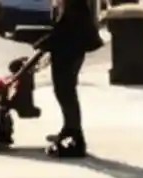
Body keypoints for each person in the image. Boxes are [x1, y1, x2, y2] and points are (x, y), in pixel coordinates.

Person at [42, 0, 103, 158]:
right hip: (71, 47)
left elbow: (69, 27)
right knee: (64, 90)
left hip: (71, 49)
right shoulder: (68, 5)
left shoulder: (73, 6)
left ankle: (75, 134)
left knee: (65, 90)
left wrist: (47, 42)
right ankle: (70, 128)